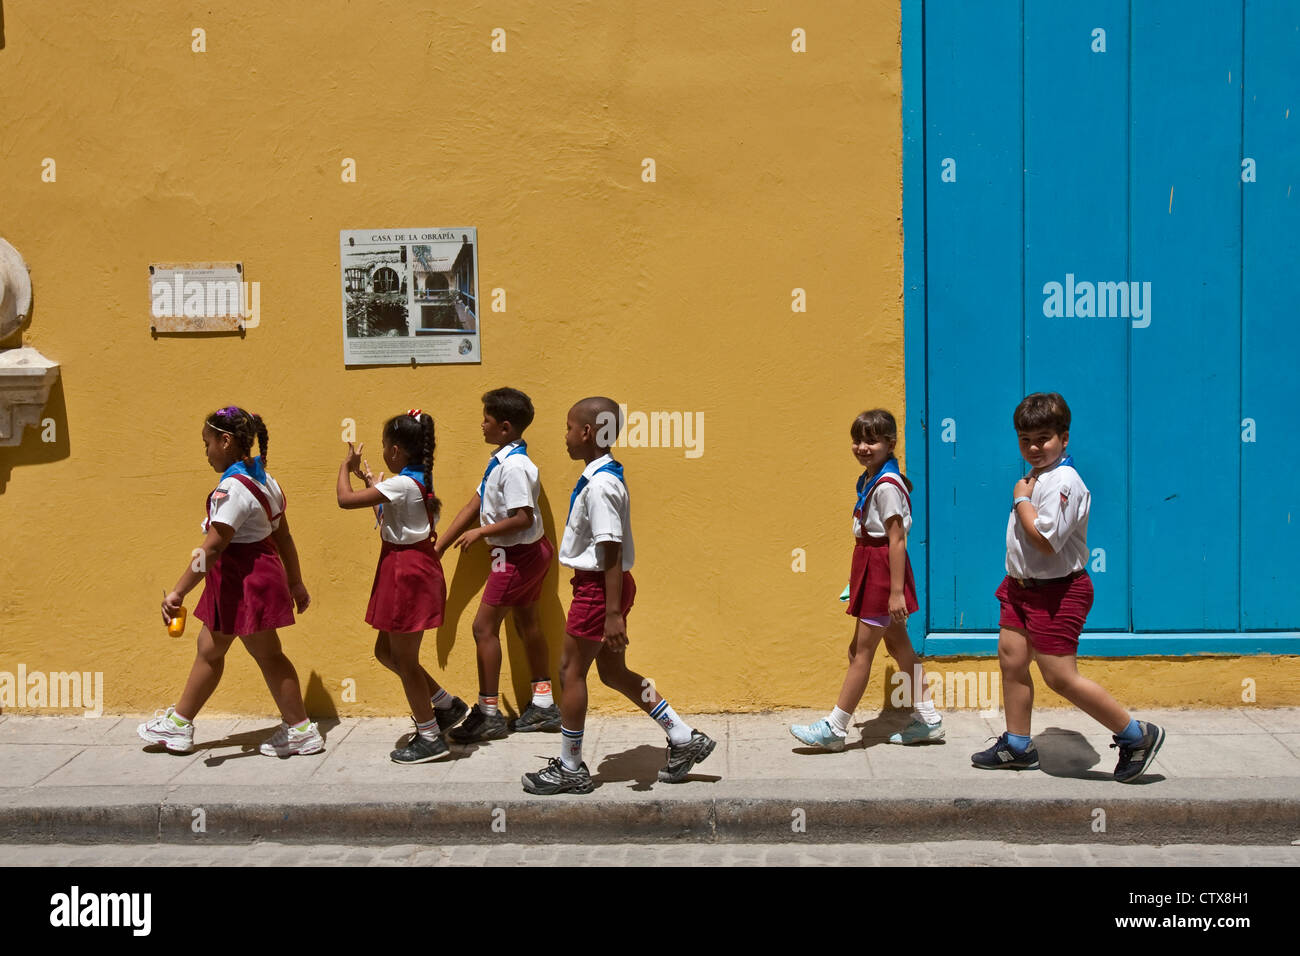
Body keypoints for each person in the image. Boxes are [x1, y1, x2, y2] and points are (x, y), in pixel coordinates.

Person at [521, 397, 716, 794]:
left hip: (599, 589)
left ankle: (571, 767)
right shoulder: (603, 477)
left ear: (588, 432)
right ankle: (682, 737)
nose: (566, 436)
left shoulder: (601, 486)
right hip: (602, 588)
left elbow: (609, 549)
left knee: (569, 673)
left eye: (569, 427)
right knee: (612, 672)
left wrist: (612, 614)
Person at [971, 392, 1165, 782]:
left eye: (1043, 438)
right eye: (1025, 440)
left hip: (1058, 593)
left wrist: (1021, 500)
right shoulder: (1038, 477)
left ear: (1064, 438)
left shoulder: (1064, 481)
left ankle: (1136, 734)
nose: (1034, 447)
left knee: (1059, 677)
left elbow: (1046, 540)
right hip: (1020, 588)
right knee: (1011, 660)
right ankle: (1018, 745)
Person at [140, 406, 322, 757]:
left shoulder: (232, 489)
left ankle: (299, 730)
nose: (205, 452)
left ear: (225, 441)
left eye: (207, 443)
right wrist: (295, 581)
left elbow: (212, 546)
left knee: (265, 656)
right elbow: (284, 538)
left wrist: (178, 590)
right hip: (251, 579)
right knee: (212, 650)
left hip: (243, 583)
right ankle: (180, 723)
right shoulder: (266, 480)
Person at [791, 409, 944, 751]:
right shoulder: (873, 479)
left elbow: (896, 540)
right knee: (898, 645)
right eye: (858, 440)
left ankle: (835, 727)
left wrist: (894, 592)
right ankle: (929, 718)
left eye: (872, 440)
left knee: (860, 652)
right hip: (871, 566)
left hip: (882, 571)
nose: (862, 447)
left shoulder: (887, 486)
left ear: (890, 444)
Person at [337, 409, 468, 763]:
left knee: (406, 661)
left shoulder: (401, 484)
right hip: (403, 567)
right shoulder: (415, 481)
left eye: (383, 445)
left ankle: (429, 736)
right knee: (386, 652)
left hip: (406, 572)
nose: (381, 451)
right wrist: (369, 482)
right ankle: (444, 704)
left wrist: (345, 468)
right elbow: (388, 519)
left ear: (396, 451)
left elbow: (343, 501)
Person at [436, 388, 559, 742]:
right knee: (527, 623)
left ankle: (488, 713)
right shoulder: (502, 462)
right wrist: (441, 546)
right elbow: (474, 504)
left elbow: (522, 517)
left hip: (516, 557)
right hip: (525, 554)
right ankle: (543, 704)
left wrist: (480, 534)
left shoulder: (515, 467)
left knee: (482, 629)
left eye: (486, 420)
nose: (481, 424)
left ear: (505, 427)